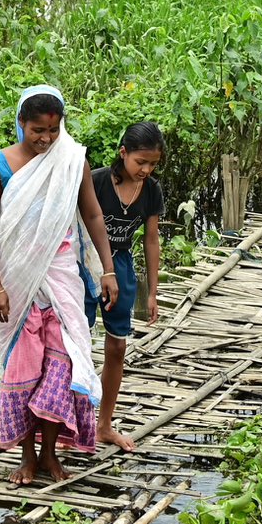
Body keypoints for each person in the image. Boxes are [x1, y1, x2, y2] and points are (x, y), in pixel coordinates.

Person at [0, 86, 119, 486]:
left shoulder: (71, 161)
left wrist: (107, 270)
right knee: (24, 372)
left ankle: (51, 455)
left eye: (54, 130)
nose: (46, 139)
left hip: (61, 279)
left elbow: (92, 216)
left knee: (61, 369)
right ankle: (26, 458)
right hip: (18, 283)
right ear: (21, 123)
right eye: (37, 130)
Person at [87, 122, 164, 452]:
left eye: (153, 164)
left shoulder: (151, 191)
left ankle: (103, 425)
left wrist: (152, 292)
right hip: (86, 265)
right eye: (140, 162)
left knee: (117, 347)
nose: (146, 170)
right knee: (73, 344)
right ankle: (69, 423)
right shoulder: (97, 181)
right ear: (123, 153)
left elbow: (150, 241)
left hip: (121, 267)